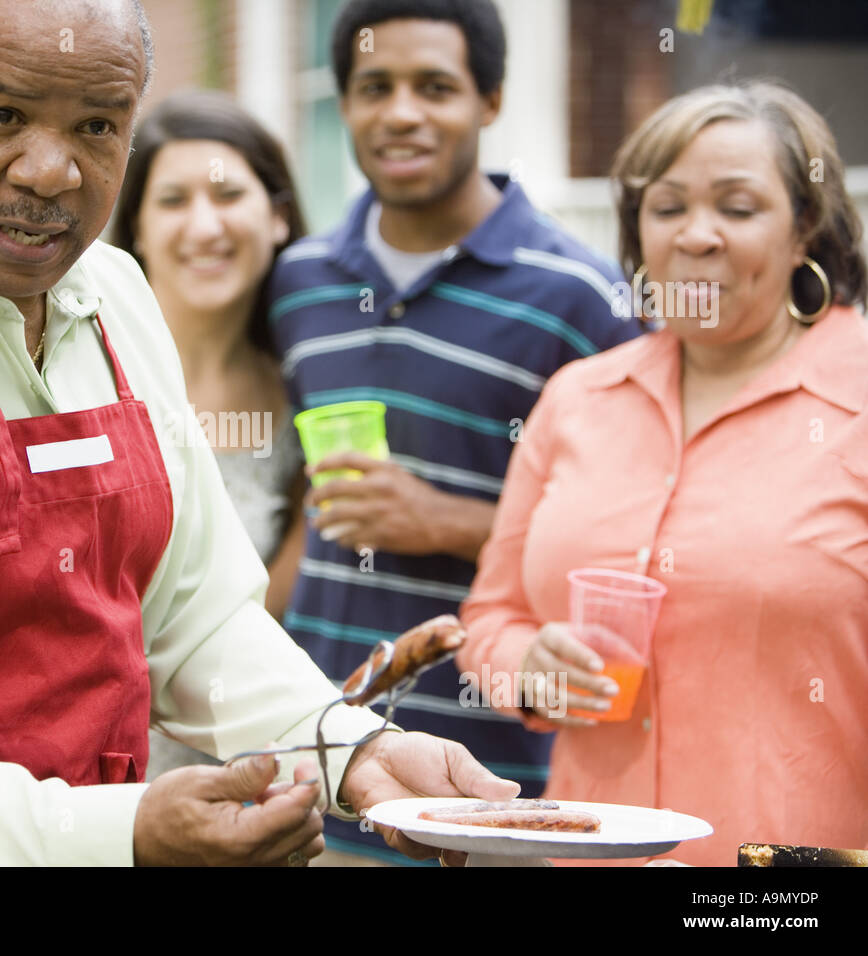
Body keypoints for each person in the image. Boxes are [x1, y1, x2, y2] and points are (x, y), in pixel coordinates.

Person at [0, 0, 521, 867]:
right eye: (6, 116)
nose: (50, 171)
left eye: (97, 126)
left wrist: (355, 750)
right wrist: (127, 832)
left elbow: (194, 614)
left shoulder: (115, 293)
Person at [456, 80, 868, 866]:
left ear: (805, 228)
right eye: (668, 206)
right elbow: (491, 613)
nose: (697, 236)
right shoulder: (579, 396)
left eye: (738, 208)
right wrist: (528, 668)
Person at [268, 0, 641, 863]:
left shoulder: (581, 298)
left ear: (491, 101)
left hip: (497, 792)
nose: (401, 111)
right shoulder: (298, 283)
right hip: (319, 767)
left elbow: (639, 552)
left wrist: (446, 522)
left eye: (434, 86)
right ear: (346, 102)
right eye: (375, 87)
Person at [109, 91, 309, 779]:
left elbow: (263, 616)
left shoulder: (306, 394)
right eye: (172, 200)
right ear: (134, 223)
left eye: (228, 196)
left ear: (279, 217)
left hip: (246, 770)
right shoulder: (83, 370)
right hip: (85, 781)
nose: (203, 226)